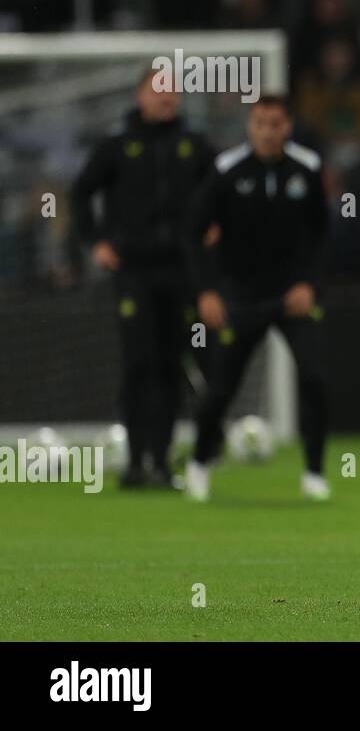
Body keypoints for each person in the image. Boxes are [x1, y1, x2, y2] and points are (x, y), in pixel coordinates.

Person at [71, 67, 215, 489]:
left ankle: (162, 460)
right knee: (138, 363)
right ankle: (135, 462)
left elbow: (221, 188)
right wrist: (95, 240)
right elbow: (81, 191)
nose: (167, 98)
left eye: (173, 91)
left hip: (180, 270)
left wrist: (215, 225)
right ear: (141, 96)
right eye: (159, 90)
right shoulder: (118, 146)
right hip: (133, 271)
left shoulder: (194, 146)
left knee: (172, 366)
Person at [182, 96, 331, 502]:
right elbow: (193, 232)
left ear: (289, 126)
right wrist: (207, 291)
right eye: (261, 123)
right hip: (240, 297)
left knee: (316, 378)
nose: (269, 131)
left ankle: (315, 473)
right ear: (251, 126)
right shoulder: (227, 170)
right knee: (221, 388)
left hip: (294, 297)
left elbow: (321, 234)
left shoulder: (309, 168)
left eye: (277, 124)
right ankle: (199, 463)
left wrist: (310, 285)